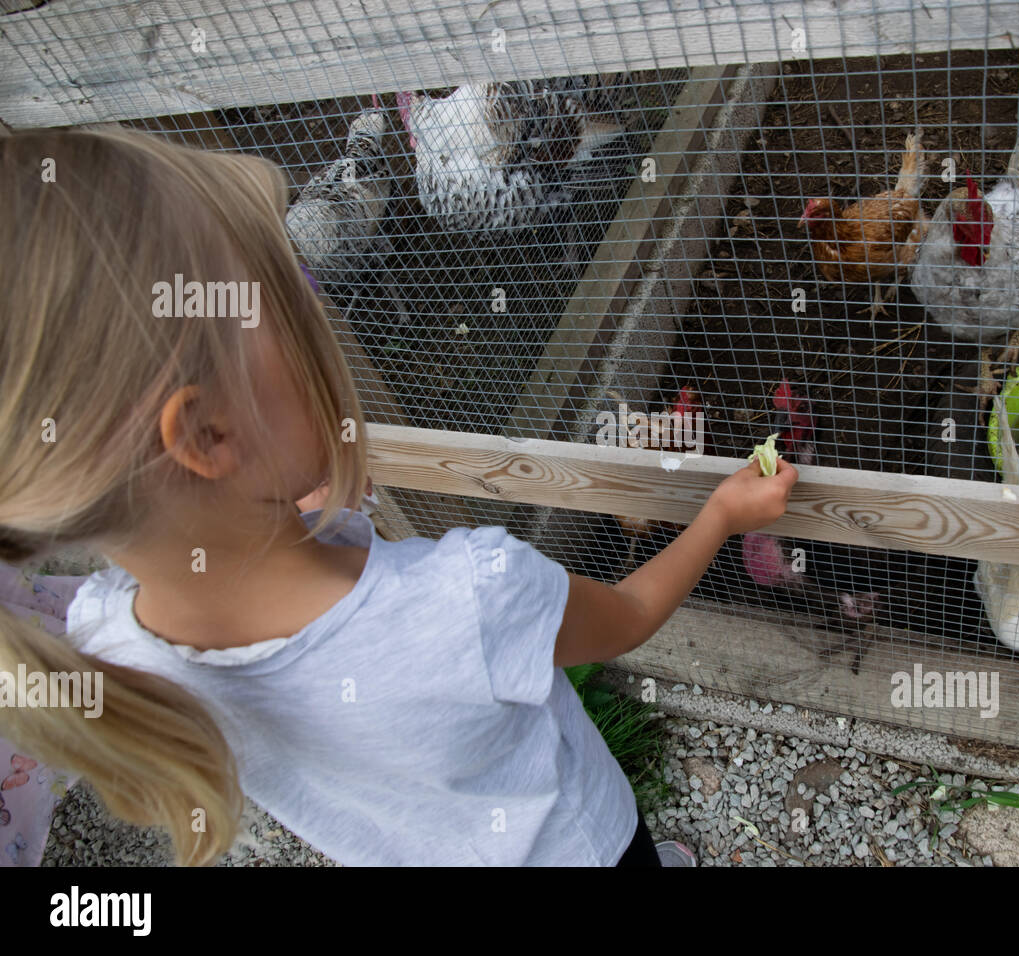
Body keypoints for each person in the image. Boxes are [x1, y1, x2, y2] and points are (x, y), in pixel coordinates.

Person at [0, 128, 797, 866]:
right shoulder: (469, 597)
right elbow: (625, 620)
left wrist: (289, 511)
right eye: (292, 293)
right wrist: (720, 514)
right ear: (209, 436)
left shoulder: (107, 643)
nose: (321, 306)